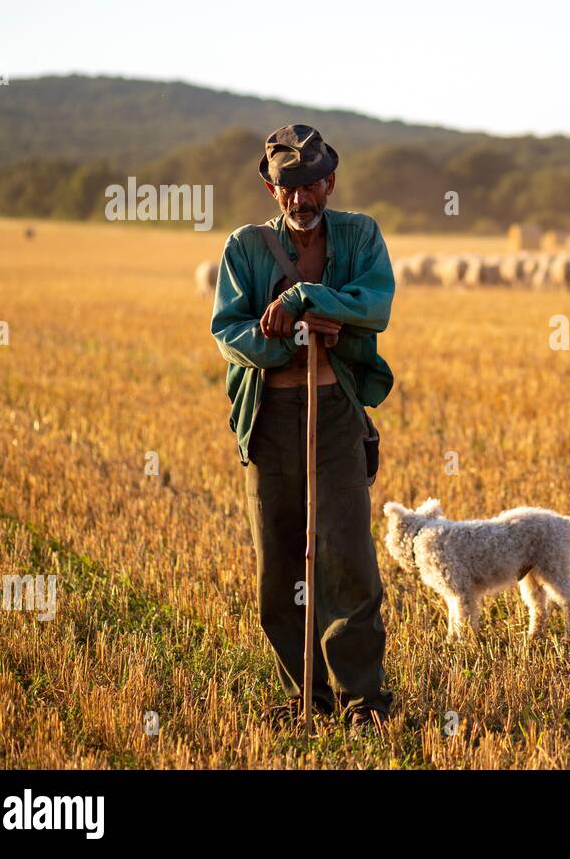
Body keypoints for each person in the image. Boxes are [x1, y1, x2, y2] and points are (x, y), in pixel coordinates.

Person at [210, 124, 395, 732]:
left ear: (330, 182)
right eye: (288, 186)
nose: (301, 197)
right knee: (279, 565)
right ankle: (307, 694)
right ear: (271, 188)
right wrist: (292, 336)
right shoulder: (245, 247)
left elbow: (374, 305)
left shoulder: (361, 234)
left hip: (336, 412)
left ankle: (362, 701)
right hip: (269, 421)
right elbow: (229, 332)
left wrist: (307, 298)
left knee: (348, 560)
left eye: (312, 183)